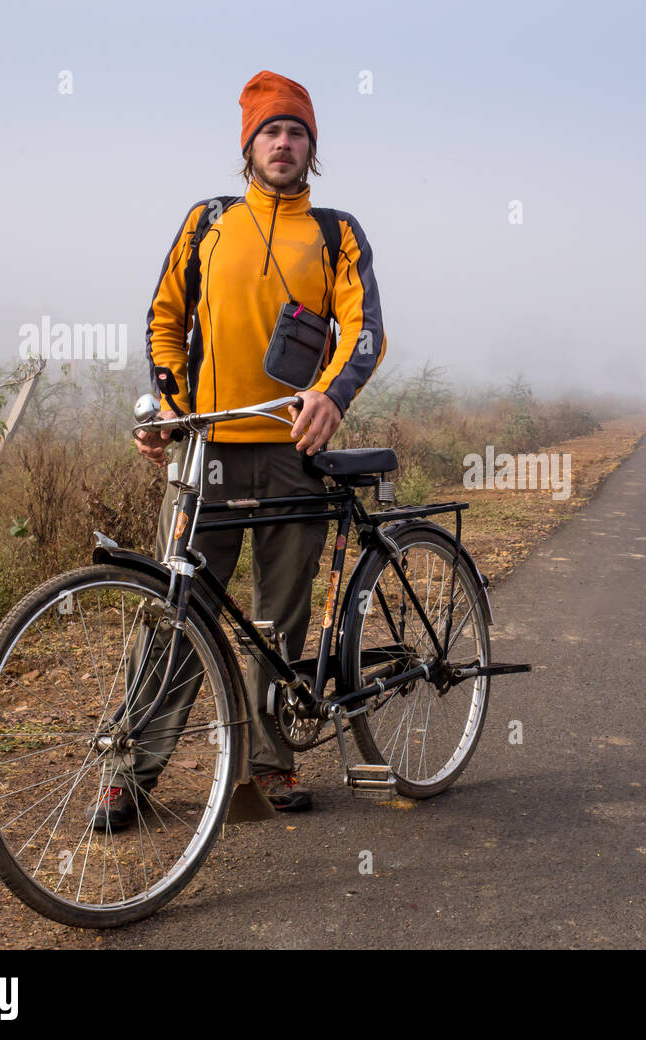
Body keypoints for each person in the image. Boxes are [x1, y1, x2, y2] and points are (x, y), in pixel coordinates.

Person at [93, 69, 388, 828]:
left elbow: (364, 331)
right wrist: (170, 407)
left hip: (294, 450)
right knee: (176, 609)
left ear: (311, 151)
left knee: (279, 620)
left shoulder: (335, 233)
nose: (283, 143)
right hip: (207, 453)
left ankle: (272, 762)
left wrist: (330, 394)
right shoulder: (207, 222)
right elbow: (164, 321)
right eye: (271, 131)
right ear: (248, 146)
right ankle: (134, 768)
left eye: (297, 132)